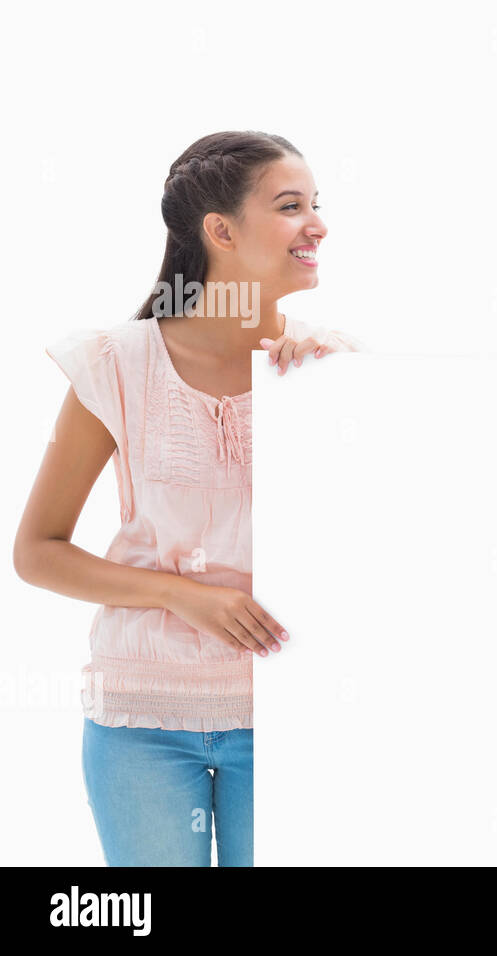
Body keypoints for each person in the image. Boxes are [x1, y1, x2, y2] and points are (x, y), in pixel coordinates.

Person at [13, 130, 366, 866]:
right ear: (221, 230)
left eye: (317, 205)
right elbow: (36, 552)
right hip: (142, 723)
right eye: (291, 206)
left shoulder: (334, 369)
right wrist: (182, 596)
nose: (319, 225)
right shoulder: (116, 364)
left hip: (294, 713)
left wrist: (335, 400)